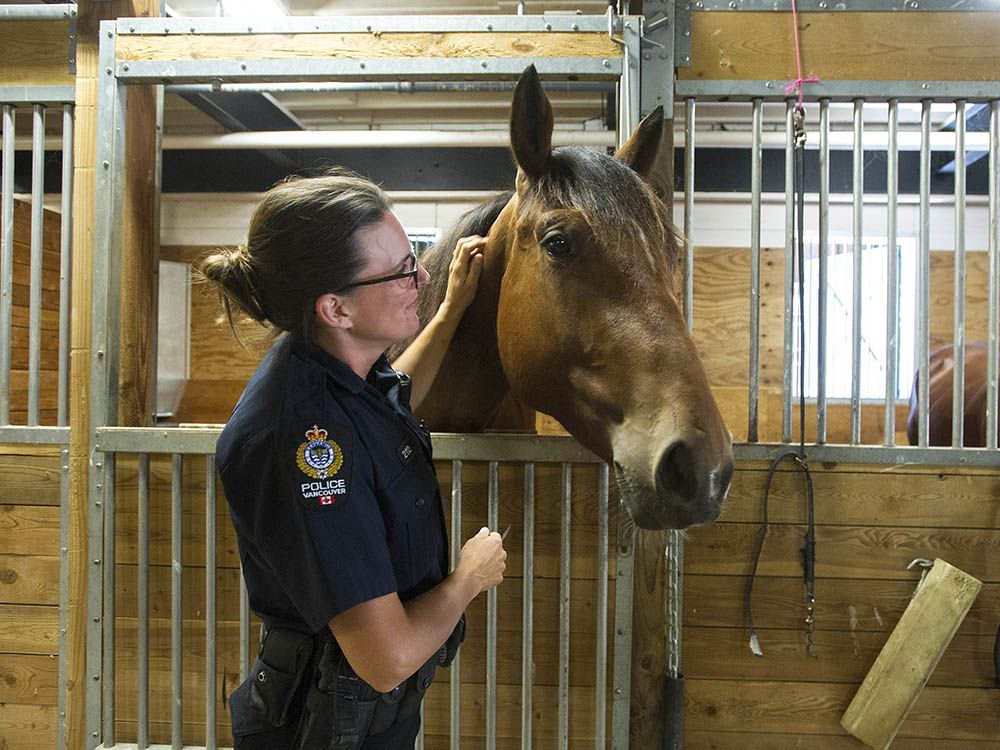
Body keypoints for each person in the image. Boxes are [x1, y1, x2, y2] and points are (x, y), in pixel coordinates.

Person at [199, 168, 507, 749]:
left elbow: (385, 401)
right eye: (400, 270)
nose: (423, 275)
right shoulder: (305, 444)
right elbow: (385, 657)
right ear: (335, 310)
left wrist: (447, 314)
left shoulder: (333, 372)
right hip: (324, 722)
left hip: (354, 714)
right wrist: (469, 577)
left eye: (413, 254)